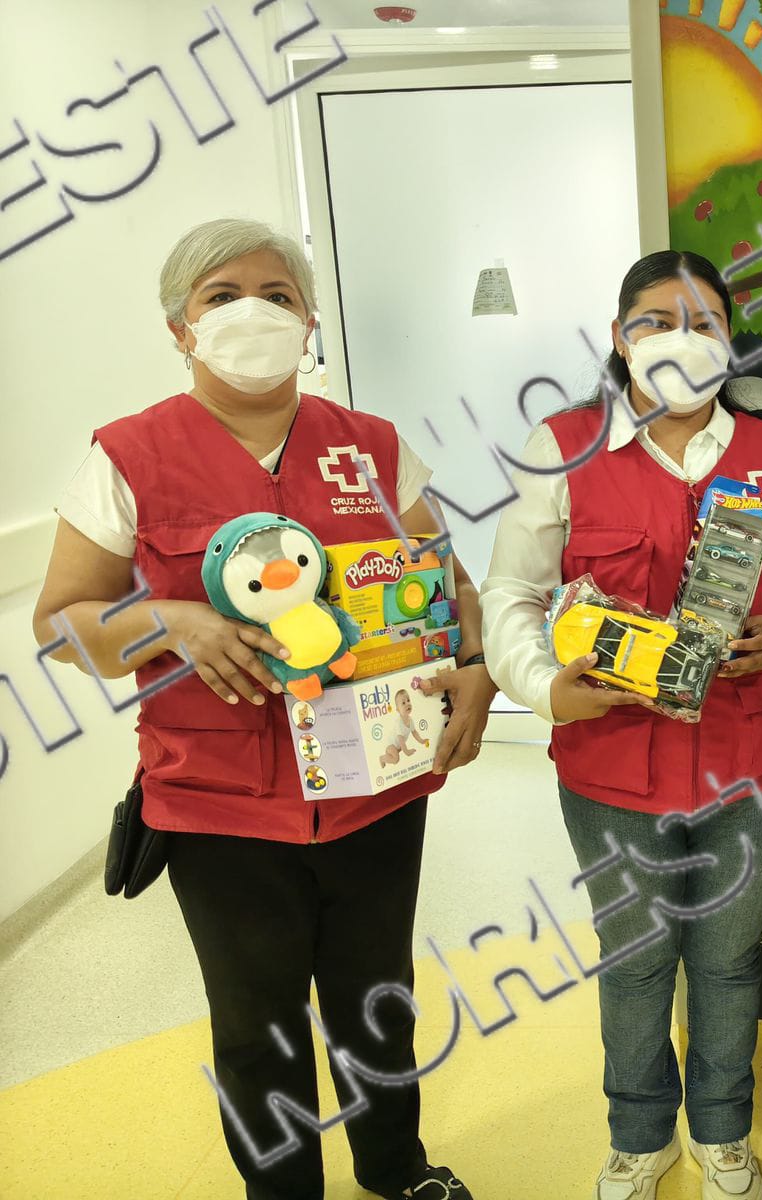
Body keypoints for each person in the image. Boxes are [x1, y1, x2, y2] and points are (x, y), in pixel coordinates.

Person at [32, 218, 491, 1200]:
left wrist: (478, 666)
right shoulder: (128, 456)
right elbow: (59, 625)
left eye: (277, 295)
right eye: (221, 295)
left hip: (377, 785)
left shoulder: (369, 446)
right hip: (217, 804)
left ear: (311, 319)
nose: (253, 312)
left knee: (377, 1003)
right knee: (256, 1026)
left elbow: (445, 584)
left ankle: (396, 1169)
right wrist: (165, 619)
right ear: (180, 327)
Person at [479, 250, 762, 1200]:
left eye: (704, 320)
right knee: (635, 963)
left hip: (748, 755)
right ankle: (639, 1137)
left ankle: (722, 1135)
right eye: (652, 320)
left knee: (728, 963)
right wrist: (546, 687)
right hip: (608, 765)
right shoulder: (563, 446)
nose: (679, 338)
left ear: (729, 339)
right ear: (618, 339)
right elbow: (509, 594)